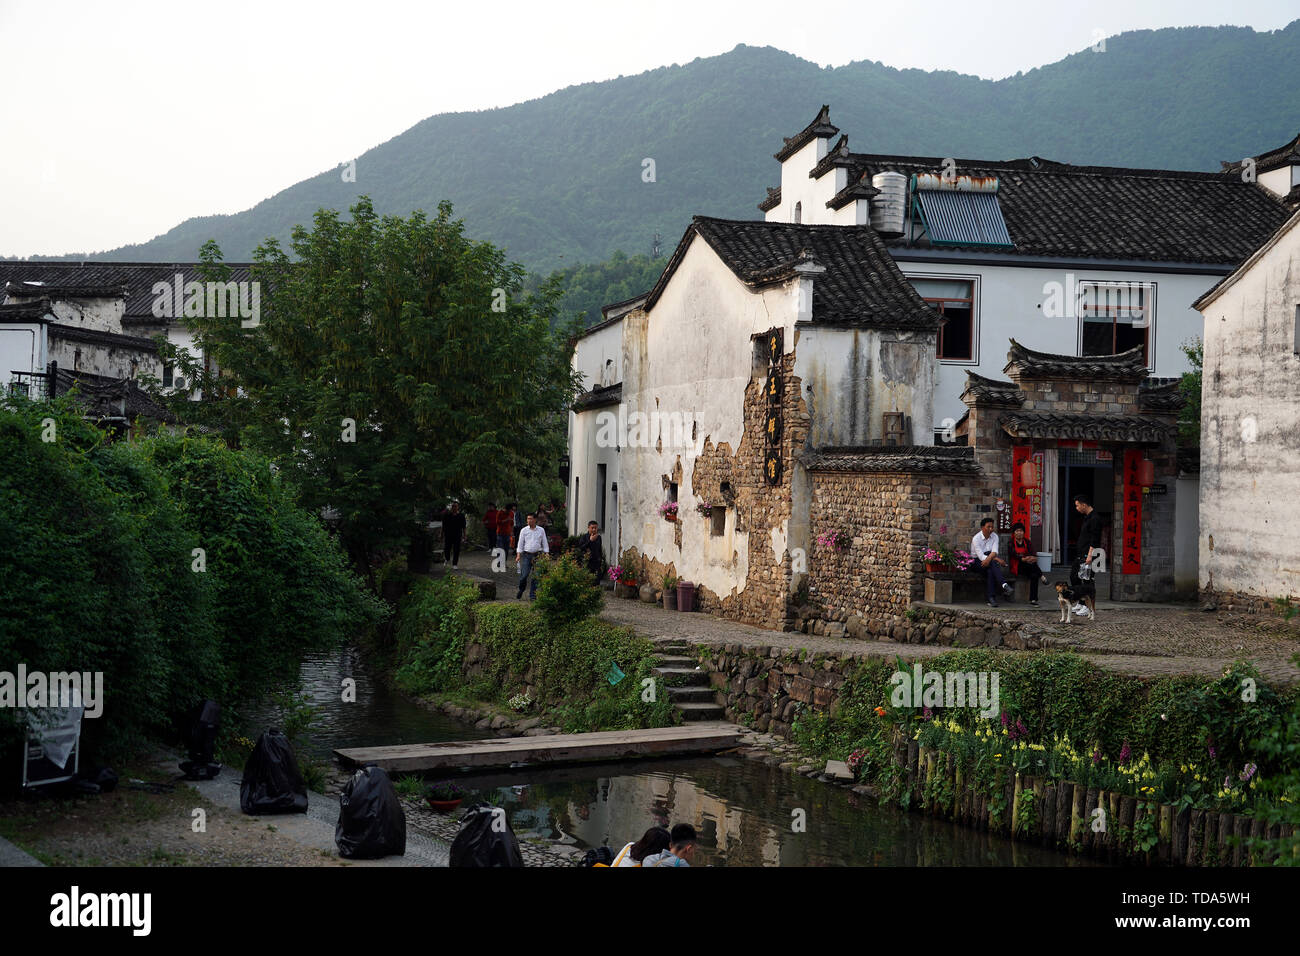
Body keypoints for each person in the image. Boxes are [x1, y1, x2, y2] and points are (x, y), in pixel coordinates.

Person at [1071, 495, 1103, 617]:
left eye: (1077, 505)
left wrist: (1090, 555)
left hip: (1089, 554)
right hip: (1081, 553)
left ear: (1084, 504)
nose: (1077, 508)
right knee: (1074, 576)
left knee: (1087, 580)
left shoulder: (1095, 518)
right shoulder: (1087, 518)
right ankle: (1079, 602)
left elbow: (1095, 539)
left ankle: (1087, 606)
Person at [971, 517, 1014, 608]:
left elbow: (994, 552)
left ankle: (991, 598)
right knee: (992, 564)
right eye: (988, 527)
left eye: (992, 527)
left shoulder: (994, 536)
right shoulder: (976, 539)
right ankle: (1003, 585)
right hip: (977, 562)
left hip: (989, 561)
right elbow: (981, 557)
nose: (991, 529)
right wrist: (997, 559)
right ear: (982, 528)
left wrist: (992, 558)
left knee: (990, 570)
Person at [1008, 521, 1047, 607]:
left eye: (1021, 531)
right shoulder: (1011, 543)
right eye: (1017, 531)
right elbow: (1014, 555)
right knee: (1030, 564)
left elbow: (1033, 553)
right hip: (1017, 567)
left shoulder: (1027, 542)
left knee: (1034, 575)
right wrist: (1024, 559)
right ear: (1014, 533)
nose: (1019, 533)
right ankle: (1042, 576)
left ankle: (1033, 599)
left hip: (1029, 566)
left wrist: (1032, 558)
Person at [515, 512, 550, 600]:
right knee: (524, 575)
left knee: (536, 576)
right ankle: (521, 589)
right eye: (527, 519)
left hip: (538, 555)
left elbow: (545, 542)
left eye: (530, 519)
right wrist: (518, 555)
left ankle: (532, 595)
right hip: (527, 555)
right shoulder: (524, 530)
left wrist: (546, 554)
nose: (529, 521)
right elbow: (520, 543)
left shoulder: (541, 530)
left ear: (535, 520)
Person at [577, 520, 604, 585]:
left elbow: (599, 550)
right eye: (592, 528)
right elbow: (581, 548)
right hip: (587, 563)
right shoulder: (584, 537)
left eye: (595, 528)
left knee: (597, 582)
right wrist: (590, 541)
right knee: (587, 582)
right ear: (588, 528)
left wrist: (600, 561)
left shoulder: (598, 537)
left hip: (596, 563)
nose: (594, 529)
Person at [441, 501, 466, 569]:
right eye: (453, 506)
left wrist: (464, 536)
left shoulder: (461, 516)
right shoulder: (447, 515)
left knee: (456, 550)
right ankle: (447, 559)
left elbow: (464, 526)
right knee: (447, 548)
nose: (454, 507)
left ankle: (455, 564)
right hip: (448, 534)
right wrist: (441, 534)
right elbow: (443, 526)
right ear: (451, 507)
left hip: (457, 535)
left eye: (456, 506)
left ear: (458, 507)